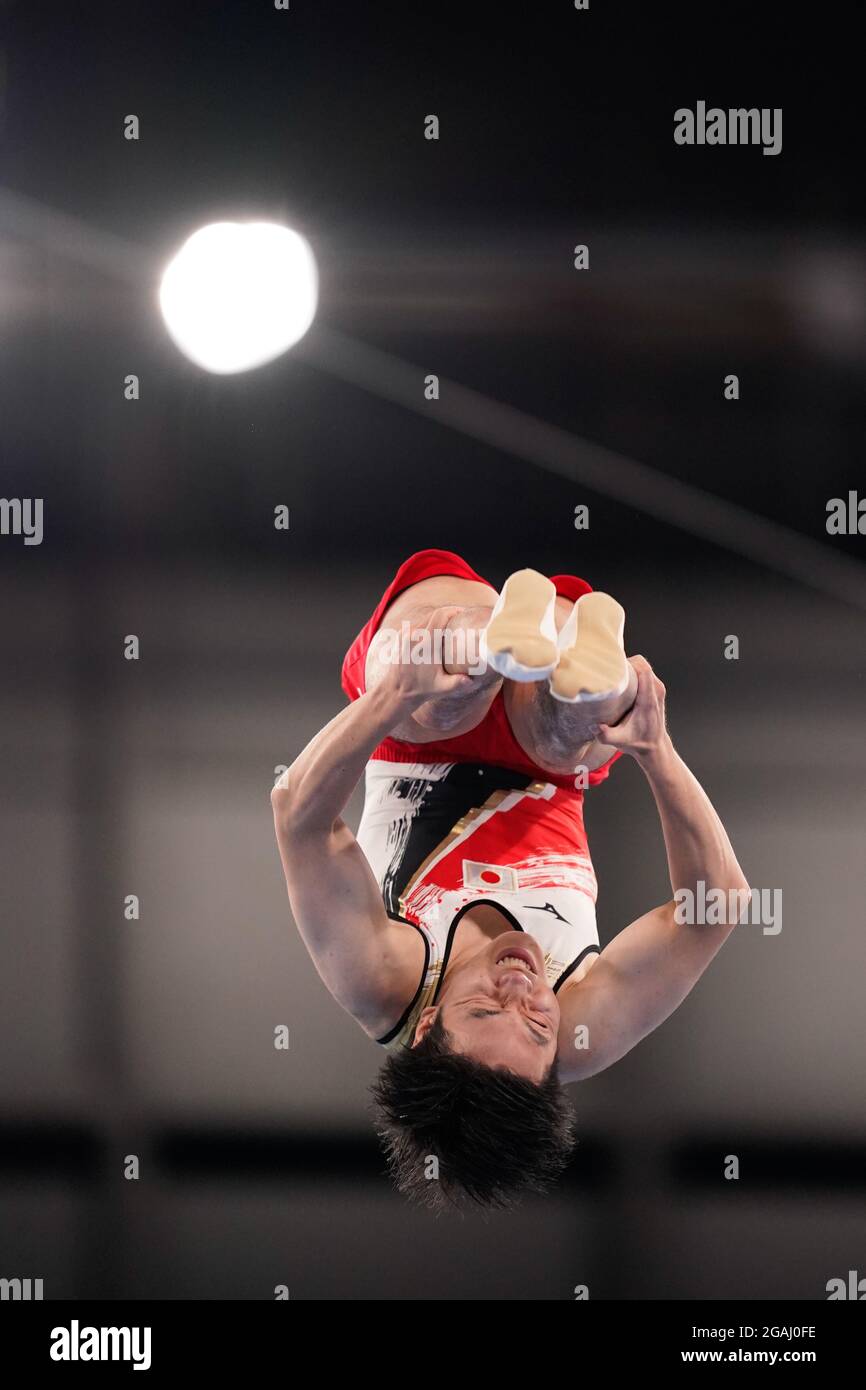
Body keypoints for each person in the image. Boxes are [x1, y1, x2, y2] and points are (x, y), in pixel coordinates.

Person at [271, 549, 748, 1210]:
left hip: (414, 735)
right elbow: (715, 909)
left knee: (441, 691)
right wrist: (653, 749)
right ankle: (584, 676)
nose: (520, 988)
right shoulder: (587, 1029)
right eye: (535, 1024)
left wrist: (388, 697)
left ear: (430, 1017)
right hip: (554, 765)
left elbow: (298, 815)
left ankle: (491, 643)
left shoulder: (383, 980)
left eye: (485, 1007)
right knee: (573, 726)